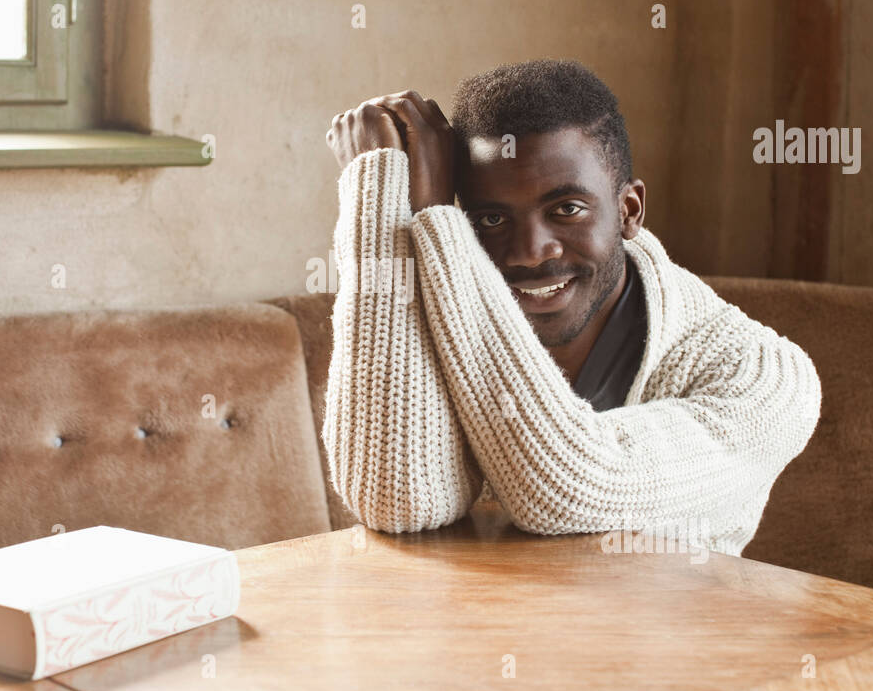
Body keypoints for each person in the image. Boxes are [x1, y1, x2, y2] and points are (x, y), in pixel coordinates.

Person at [322, 58, 821, 556]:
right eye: (492, 219)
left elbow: (563, 491)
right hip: (477, 631)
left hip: (667, 634)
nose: (529, 252)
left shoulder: (766, 378)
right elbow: (399, 502)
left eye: (567, 210)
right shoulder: (440, 304)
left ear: (629, 211)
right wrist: (380, 193)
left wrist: (432, 213)